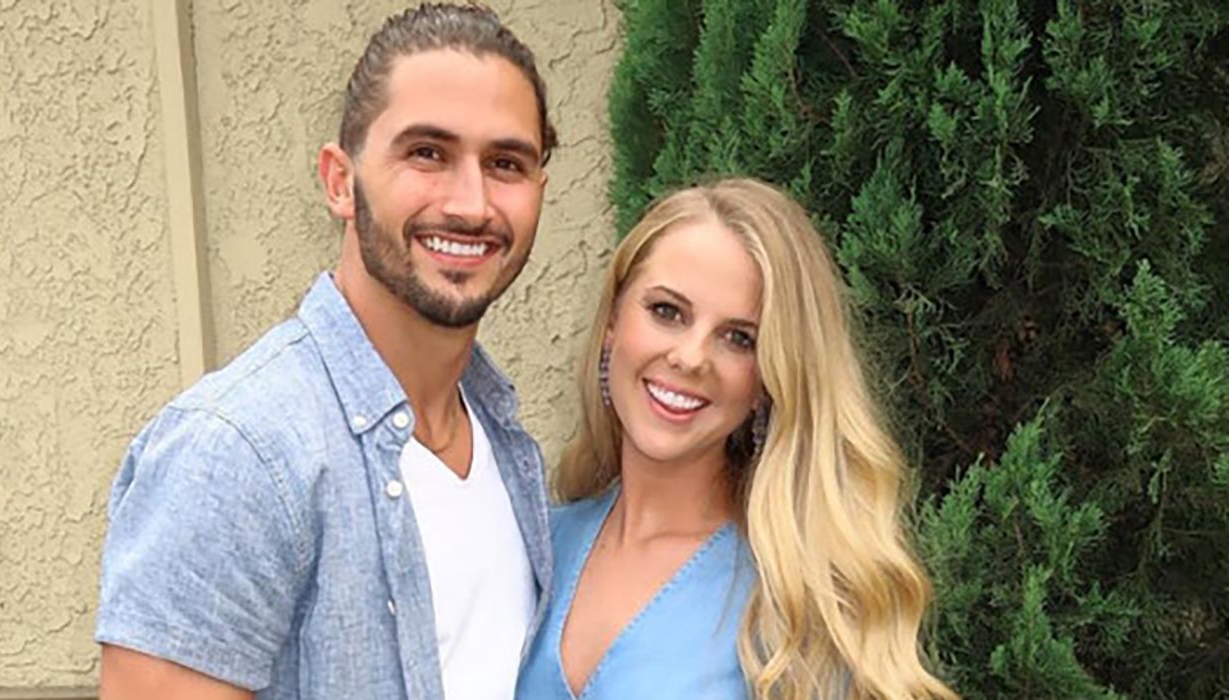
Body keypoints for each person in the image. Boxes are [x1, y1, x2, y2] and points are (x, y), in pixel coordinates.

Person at [95, 5, 558, 699]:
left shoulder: (500, 435)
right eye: (427, 153)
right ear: (340, 181)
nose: (472, 204)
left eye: (505, 164)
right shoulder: (236, 453)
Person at [516, 179, 956, 699]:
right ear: (613, 319)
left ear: (768, 381)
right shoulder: (535, 548)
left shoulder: (801, 604)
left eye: (738, 338)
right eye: (667, 311)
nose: (690, 357)